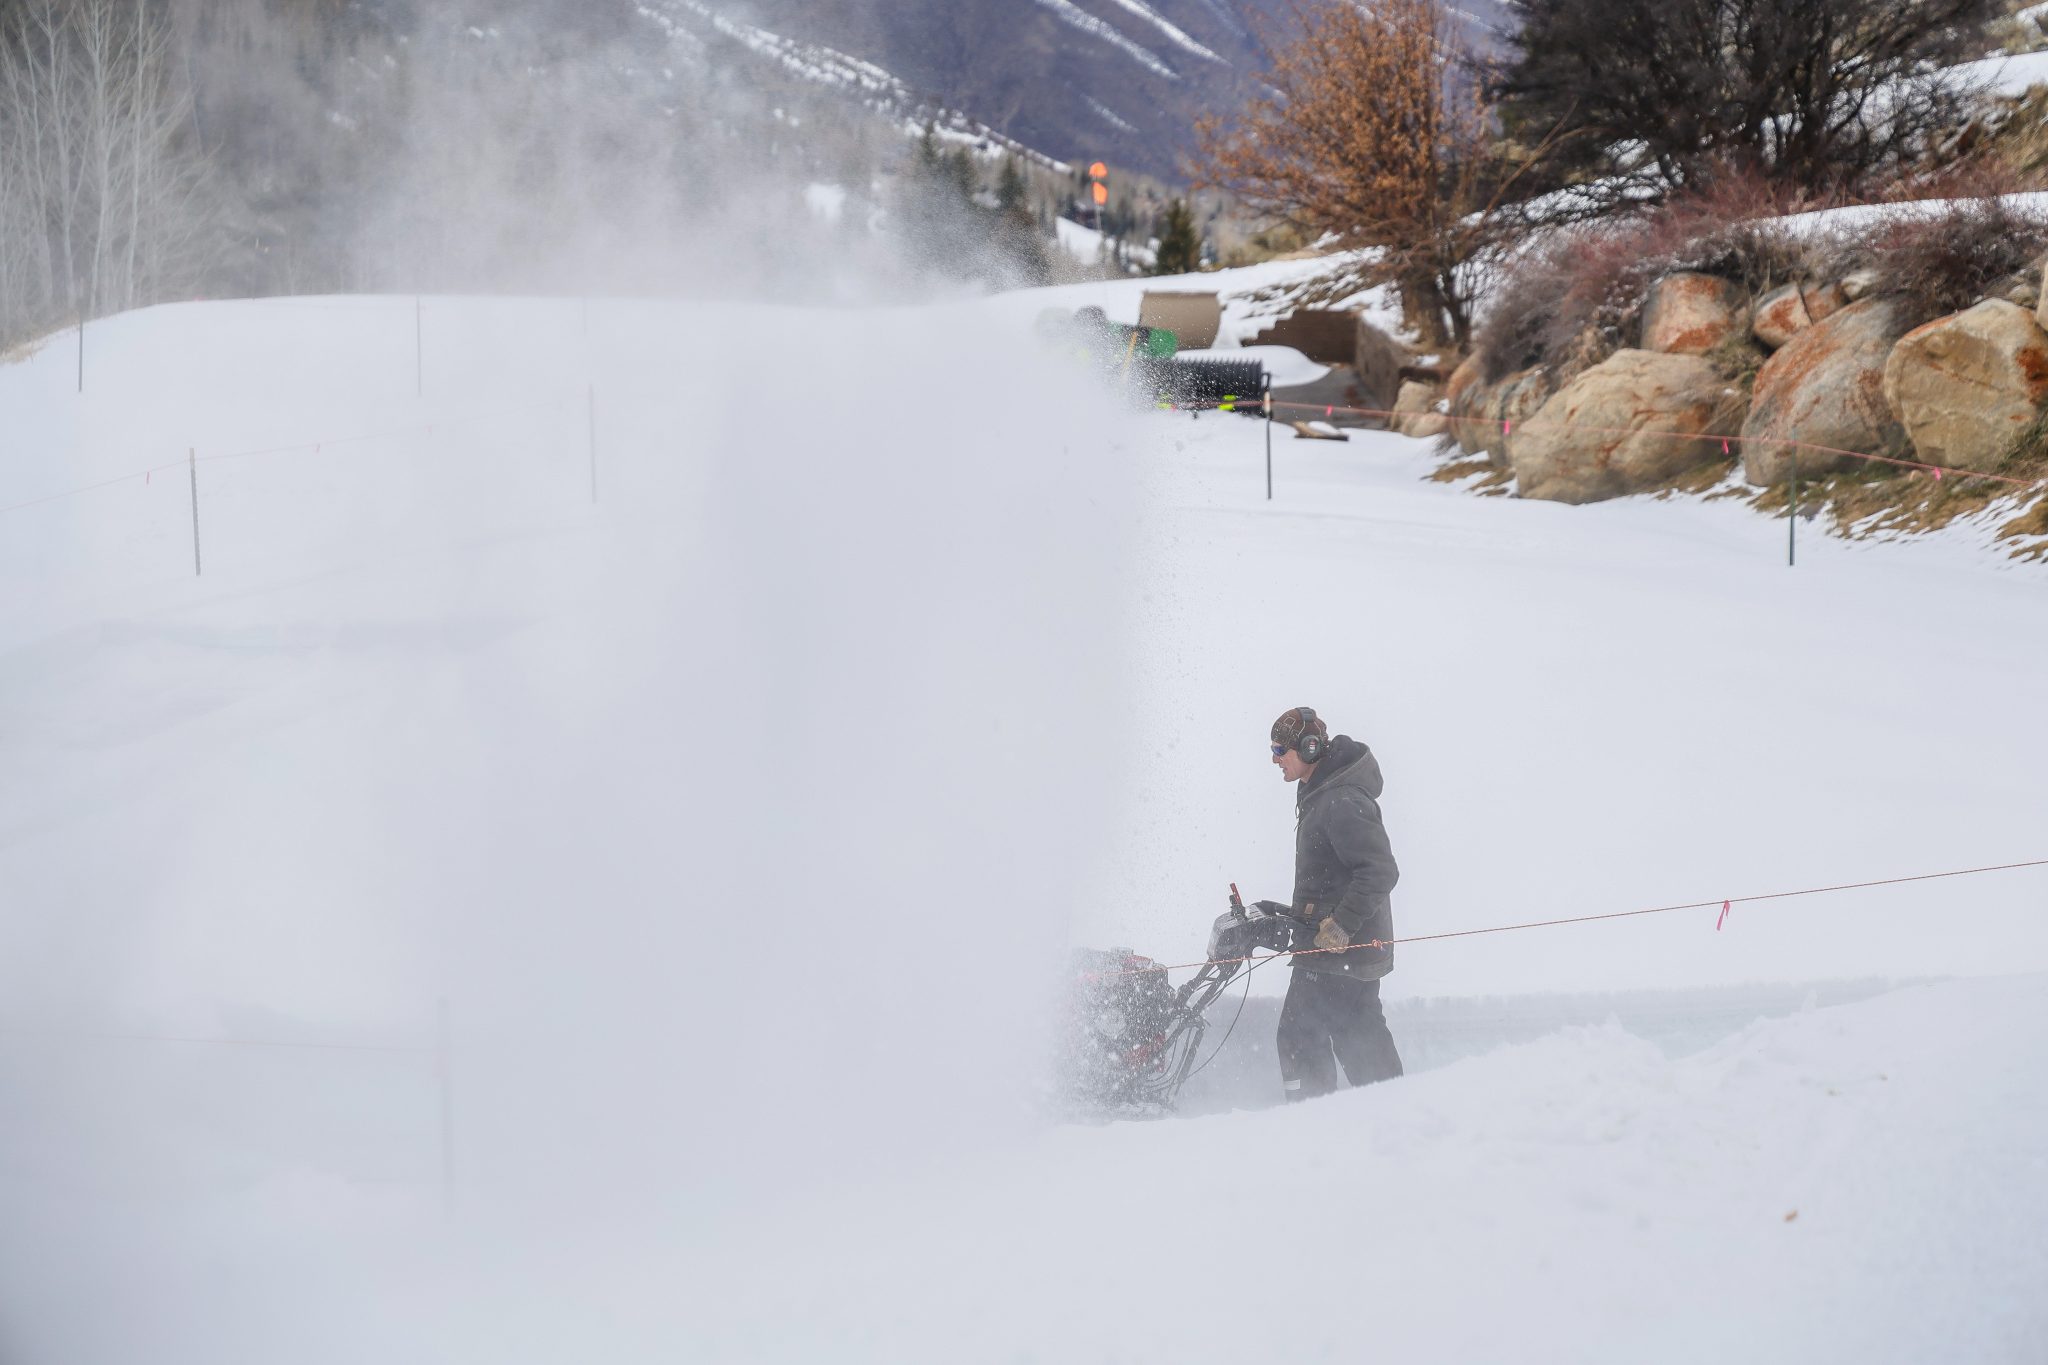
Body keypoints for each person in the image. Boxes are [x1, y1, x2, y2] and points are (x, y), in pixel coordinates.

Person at [1268, 705, 1404, 1100]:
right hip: (1331, 951)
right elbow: (1327, 882)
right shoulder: (1320, 796)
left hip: (1342, 951)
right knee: (1356, 1038)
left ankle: (1313, 1121)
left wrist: (1342, 924)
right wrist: (1280, 912)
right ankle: (1395, 1113)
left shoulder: (1341, 800)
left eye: (1280, 749)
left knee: (1300, 1034)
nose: (1274, 758)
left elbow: (1380, 870)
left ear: (1308, 749)